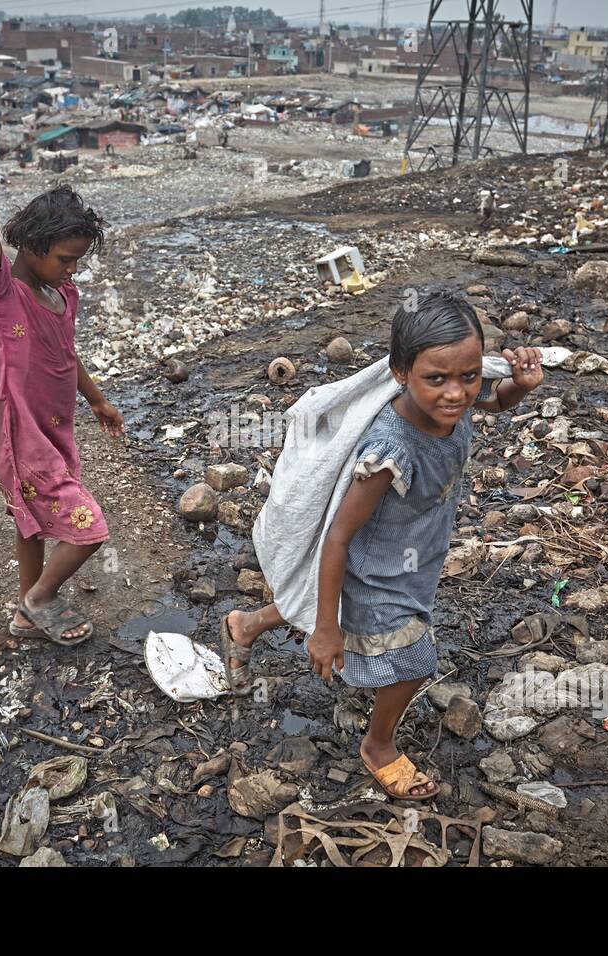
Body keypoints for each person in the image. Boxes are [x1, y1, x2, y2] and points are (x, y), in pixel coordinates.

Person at [221, 293, 544, 800]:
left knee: (329, 605)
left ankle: (246, 625)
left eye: (468, 376)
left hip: (414, 548)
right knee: (414, 659)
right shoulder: (389, 449)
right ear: (400, 373)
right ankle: (378, 746)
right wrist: (325, 631)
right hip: (375, 567)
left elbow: (497, 400)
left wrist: (518, 388)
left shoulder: (455, 397)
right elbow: (339, 536)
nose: (456, 394)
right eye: (436, 379)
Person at [0, 142, 123, 644]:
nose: (72, 270)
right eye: (64, 259)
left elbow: (65, 356)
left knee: (32, 524)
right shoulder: (4, 291)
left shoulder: (63, 295)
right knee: (90, 528)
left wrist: (96, 400)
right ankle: (39, 599)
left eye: (77, 261)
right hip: (20, 433)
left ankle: (23, 617)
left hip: (56, 429)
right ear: (32, 246)